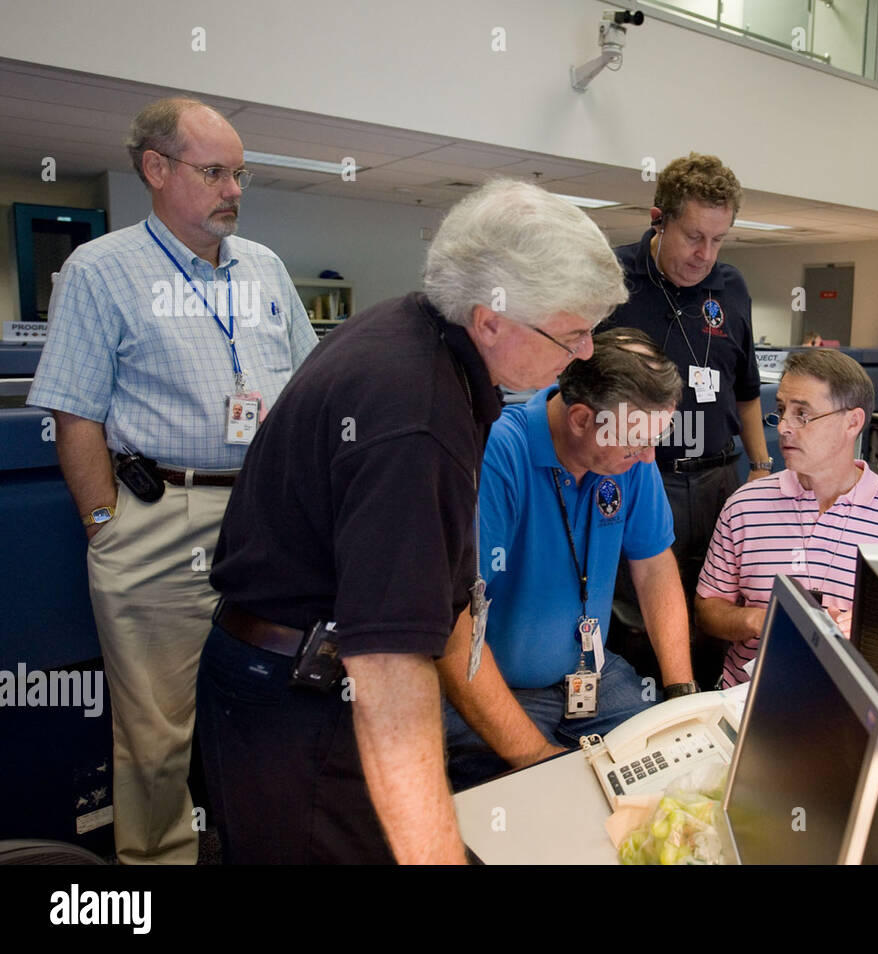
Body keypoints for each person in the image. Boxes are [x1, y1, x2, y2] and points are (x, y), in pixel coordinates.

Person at [194, 179, 629, 864]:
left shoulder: (414, 333)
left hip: (286, 674)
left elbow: (440, 605)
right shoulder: (416, 416)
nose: (582, 355)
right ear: (491, 320)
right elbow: (390, 666)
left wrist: (533, 757)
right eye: (573, 333)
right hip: (301, 699)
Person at [25, 96, 317, 864]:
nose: (234, 189)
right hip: (161, 514)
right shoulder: (101, 269)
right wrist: (105, 528)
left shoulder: (264, 267)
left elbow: (311, 383)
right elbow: (74, 414)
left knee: (271, 699)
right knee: (156, 736)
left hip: (264, 514)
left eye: (240, 173)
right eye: (214, 171)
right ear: (156, 169)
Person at [437, 329, 695, 791]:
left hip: (592, 677)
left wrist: (680, 694)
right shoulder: (499, 453)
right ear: (580, 419)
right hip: (501, 686)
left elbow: (655, 568)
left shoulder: (629, 454)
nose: (649, 457)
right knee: (530, 808)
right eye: (637, 444)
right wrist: (535, 756)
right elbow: (453, 623)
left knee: (672, 771)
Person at [601, 153, 768, 683]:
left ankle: (707, 716)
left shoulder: (730, 286)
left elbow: (745, 391)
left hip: (721, 476)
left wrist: (761, 471)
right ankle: (643, 722)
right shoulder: (612, 279)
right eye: (694, 236)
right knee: (640, 616)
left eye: (719, 240)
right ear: (659, 217)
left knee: (717, 608)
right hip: (641, 474)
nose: (705, 254)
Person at [696, 350, 878, 688]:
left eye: (802, 414)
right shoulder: (744, 505)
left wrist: (871, 632)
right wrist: (757, 620)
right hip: (747, 695)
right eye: (781, 411)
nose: (783, 428)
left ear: (852, 422)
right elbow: (709, 609)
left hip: (852, 700)